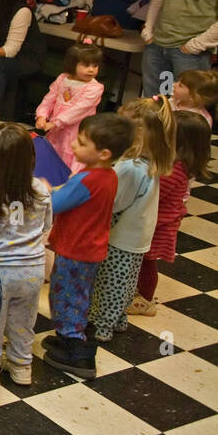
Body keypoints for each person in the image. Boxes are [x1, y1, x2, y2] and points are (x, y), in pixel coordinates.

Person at [42, 113, 135, 379]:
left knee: (65, 296)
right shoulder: (108, 175)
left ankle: (78, 352)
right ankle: (67, 338)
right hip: (90, 249)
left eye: (82, 143)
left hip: (75, 250)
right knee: (79, 295)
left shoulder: (87, 179)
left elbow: (56, 204)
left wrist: (47, 189)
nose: (74, 146)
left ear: (104, 153)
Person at [84, 99, 171, 358]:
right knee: (126, 282)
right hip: (137, 236)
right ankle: (119, 319)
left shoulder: (130, 168)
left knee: (110, 283)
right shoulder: (149, 162)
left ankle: (102, 326)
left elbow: (116, 203)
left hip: (121, 238)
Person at [0, 124, 52, 389]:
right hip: (33, 270)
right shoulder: (40, 189)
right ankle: (21, 366)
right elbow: (47, 225)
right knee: (24, 321)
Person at [130, 110, 212, 317]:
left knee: (147, 262)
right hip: (157, 221)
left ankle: (145, 300)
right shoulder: (175, 165)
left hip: (159, 225)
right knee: (142, 261)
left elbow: (154, 194)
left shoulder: (174, 169)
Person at [35, 44, 105, 171]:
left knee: (70, 155)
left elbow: (77, 110)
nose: (91, 70)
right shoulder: (62, 79)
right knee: (52, 152)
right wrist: (41, 115)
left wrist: (55, 122)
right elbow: (49, 99)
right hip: (56, 130)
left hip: (76, 131)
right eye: (86, 65)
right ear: (73, 64)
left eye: (95, 66)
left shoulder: (95, 88)